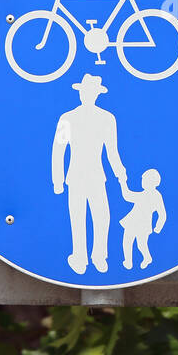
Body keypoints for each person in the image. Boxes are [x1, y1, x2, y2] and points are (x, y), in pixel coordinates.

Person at [51, 74, 128, 274]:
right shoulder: (67, 118)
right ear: (80, 93)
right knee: (78, 218)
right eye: (85, 91)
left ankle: (99, 257)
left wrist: (121, 174)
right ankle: (79, 257)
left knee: (102, 217)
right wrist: (57, 181)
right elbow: (58, 151)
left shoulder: (107, 118)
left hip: (96, 176)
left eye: (91, 91)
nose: (87, 95)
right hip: (75, 177)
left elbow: (112, 151)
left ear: (96, 94)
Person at [120, 168, 166, 269]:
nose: (142, 182)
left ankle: (145, 258)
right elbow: (162, 214)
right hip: (135, 222)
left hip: (141, 224)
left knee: (139, 244)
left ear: (152, 182)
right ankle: (129, 261)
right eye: (143, 179)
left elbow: (127, 196)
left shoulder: (152, 195)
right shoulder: (148, 194)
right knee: (129, 241)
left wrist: (122, 183)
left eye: (144, 180)